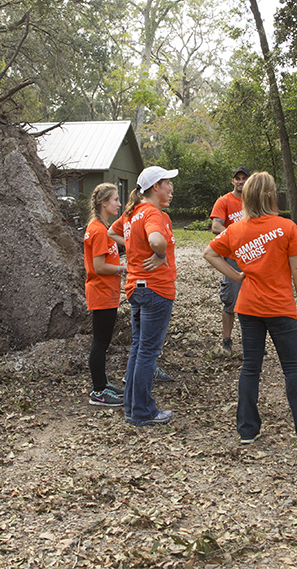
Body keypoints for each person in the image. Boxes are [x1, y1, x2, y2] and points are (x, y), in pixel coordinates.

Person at [203, 172, 297, 446]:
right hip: (280, 307)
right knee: (293, 369)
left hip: (248, 307)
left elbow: (209, 253)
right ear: (271, 196)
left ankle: (247, 430)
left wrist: (237, 275)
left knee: (250, 368)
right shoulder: (287, 227)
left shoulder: (236, 229)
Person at [121, 166, 179, 426]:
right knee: (147, 351)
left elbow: (115, 232)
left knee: (139, 347)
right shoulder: (152, 213)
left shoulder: (132, 213)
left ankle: (132, 406)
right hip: (155, 290)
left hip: (138, 288)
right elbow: (156, 240)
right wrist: (160, 254)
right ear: (155, 186)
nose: (171, 189)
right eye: (168, 183)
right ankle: (143, 411)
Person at [84, 183, 125, 407]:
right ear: (103, 203)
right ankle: (98, 391)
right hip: (101, 292)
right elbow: (99, 266)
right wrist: (122, 269)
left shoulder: (102, 227)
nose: (119, 204)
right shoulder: (98, 230)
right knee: (100, 342)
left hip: (107, 291)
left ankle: (103, 383)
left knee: (103, 341)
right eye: (115, 200)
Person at [210, 167, 250, 356]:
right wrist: (237, 235)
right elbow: (216, 226)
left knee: (253, 302)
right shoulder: (224, 201)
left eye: (244, 178)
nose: (241, 181)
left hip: (255, 257)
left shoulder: (254, 200)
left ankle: (251, 341)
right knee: (230, 301)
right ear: (233, 181)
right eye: (238, 178)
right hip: (233, 258)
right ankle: (227, 340)